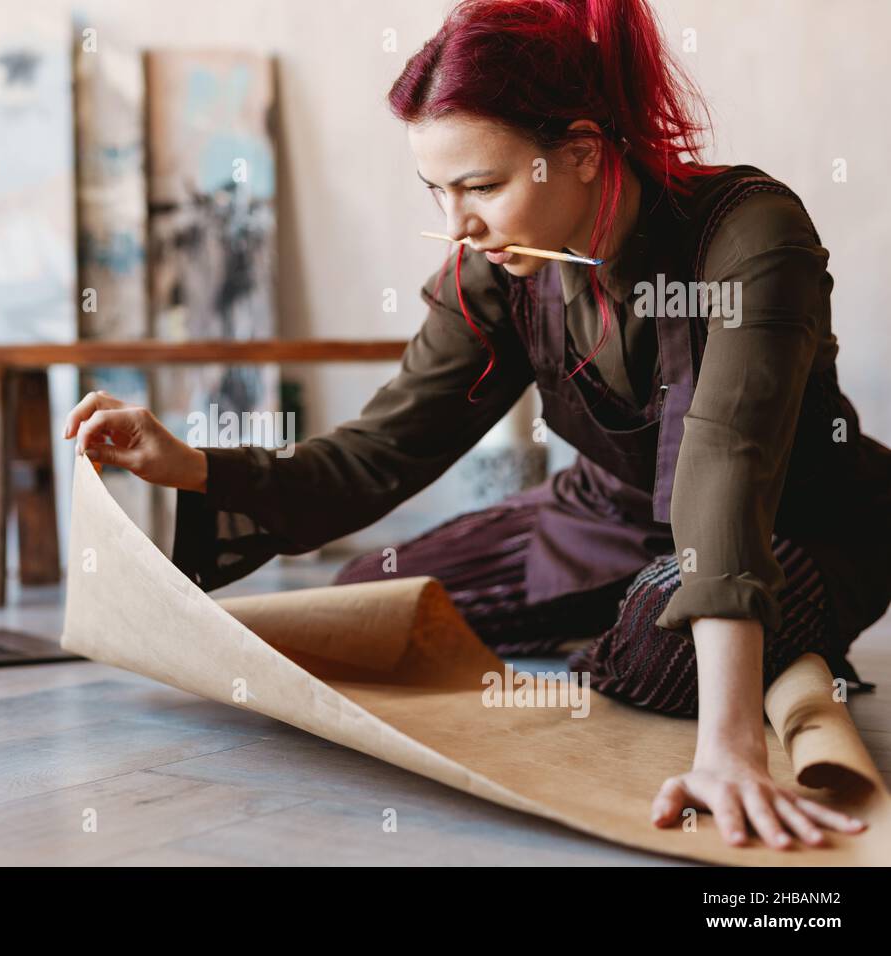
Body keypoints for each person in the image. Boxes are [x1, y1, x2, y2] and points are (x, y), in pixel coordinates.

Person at [65, 0, 891, 852]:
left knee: (658, 648)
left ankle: (684, 638)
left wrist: (730, 749)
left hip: (794, 523)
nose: (457, 224)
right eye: (439, 189)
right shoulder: (496, 268)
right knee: (371, 609)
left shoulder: (752, 234)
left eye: (482, 187)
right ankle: (668, 629)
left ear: (578, 153)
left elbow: (726, 463)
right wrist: (196, 465)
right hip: (608, 518)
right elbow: (384, 448)